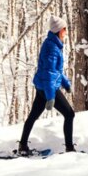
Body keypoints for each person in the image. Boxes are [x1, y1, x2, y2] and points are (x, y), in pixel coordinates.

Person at [17, 17, 76, 155]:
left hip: (43, 87)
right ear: (59, 30)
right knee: (69, 114)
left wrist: (66, 83)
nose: (66, 31)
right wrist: (50, 97)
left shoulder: (53, 44)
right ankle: (69, 148)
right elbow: (49, 74)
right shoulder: (52, 48)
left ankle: (23, 145)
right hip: (48, 88)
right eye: (64, 29)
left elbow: (56, 71)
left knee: (33, 116)